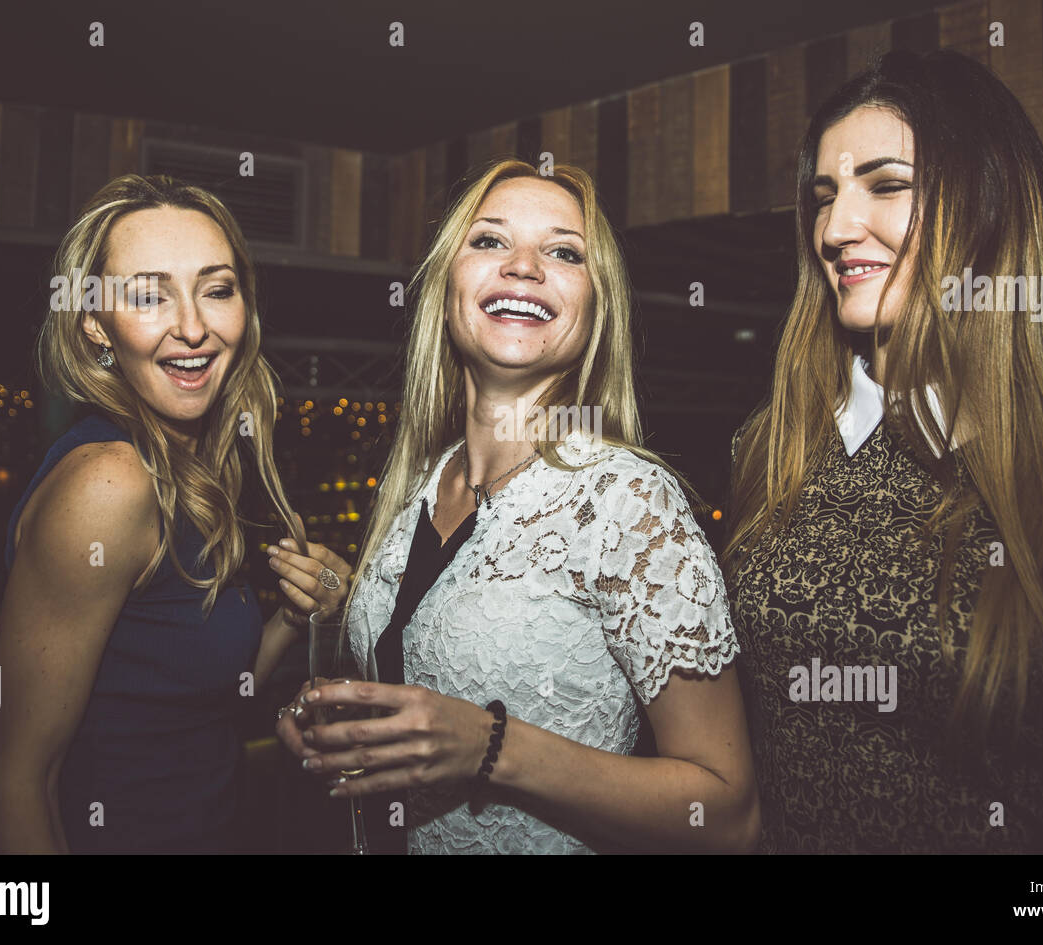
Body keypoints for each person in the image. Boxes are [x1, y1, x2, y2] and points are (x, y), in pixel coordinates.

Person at [722, 50, 1043, 853]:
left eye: (887, 184)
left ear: (986, 205)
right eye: (825, 196)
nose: (836, 229)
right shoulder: (769, 444)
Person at [275, 160, 759, 854]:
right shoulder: (420, 482)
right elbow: (416, 676)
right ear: (448, 289)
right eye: (490, 241)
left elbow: (728, 816)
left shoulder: (626, 501)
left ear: (595, 309)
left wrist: (492, 746)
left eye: (564, 251)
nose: (524, 266)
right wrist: (338, 715)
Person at [0, 175, 351, 853]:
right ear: (96, 324)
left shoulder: (197, 465)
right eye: (148, 295)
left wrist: (293, 617)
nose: (192, 325)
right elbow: (16, 781)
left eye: (216, 288)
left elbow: (190, 696)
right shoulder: (111, 482)